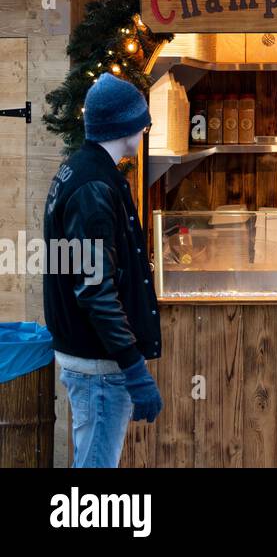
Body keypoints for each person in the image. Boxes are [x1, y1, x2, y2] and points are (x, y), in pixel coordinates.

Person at [44, 72, 163, 468]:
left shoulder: (80, 172)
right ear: (123, 126)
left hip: (93, 359)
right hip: (99, 366)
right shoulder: (94, 187)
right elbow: (94, 288)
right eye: (141, 121)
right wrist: (133, 368)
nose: (145, 128)